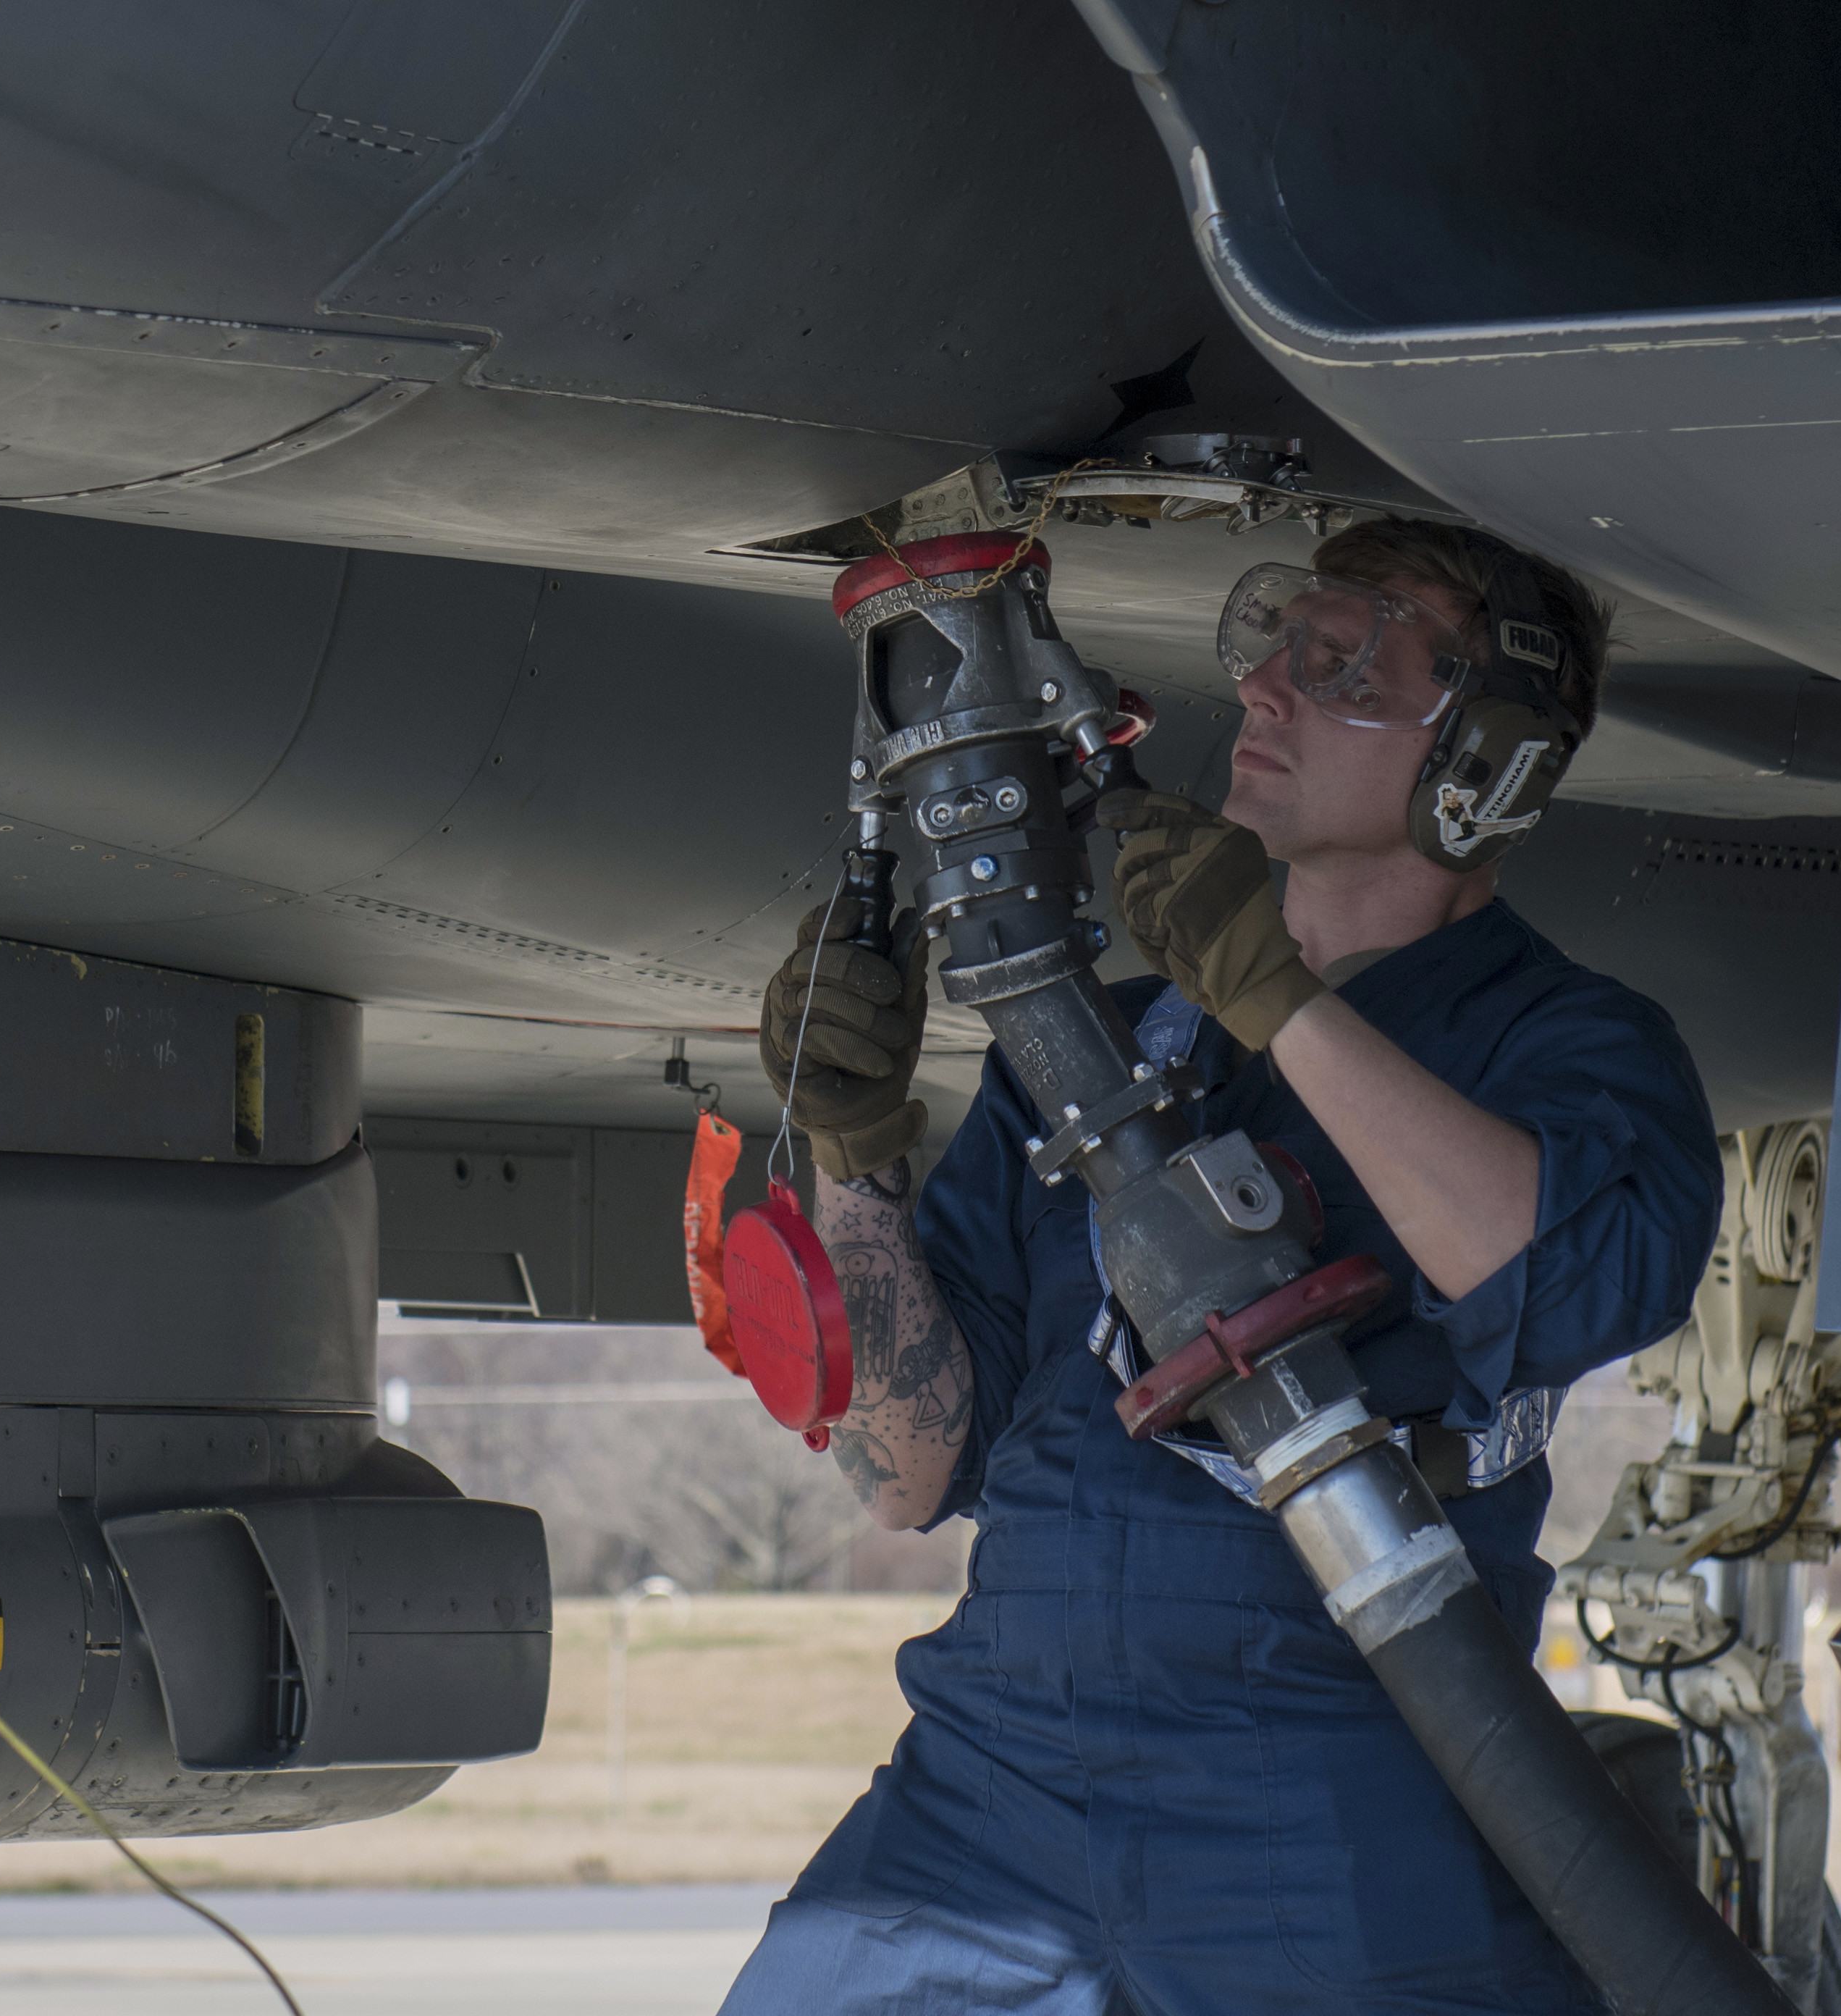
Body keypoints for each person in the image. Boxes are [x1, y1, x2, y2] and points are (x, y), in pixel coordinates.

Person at [719, 518, 1723, 2015]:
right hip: (999, 1769)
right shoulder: (1095, 1042)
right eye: (1276, 645)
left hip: (1328, 1776)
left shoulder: (1568, 1045)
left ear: (1485, 761)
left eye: (1342, 666)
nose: (1262, 688)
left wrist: (1271, 994)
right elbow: (906, 1473)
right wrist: (850, 1147)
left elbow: (1569, 1274)